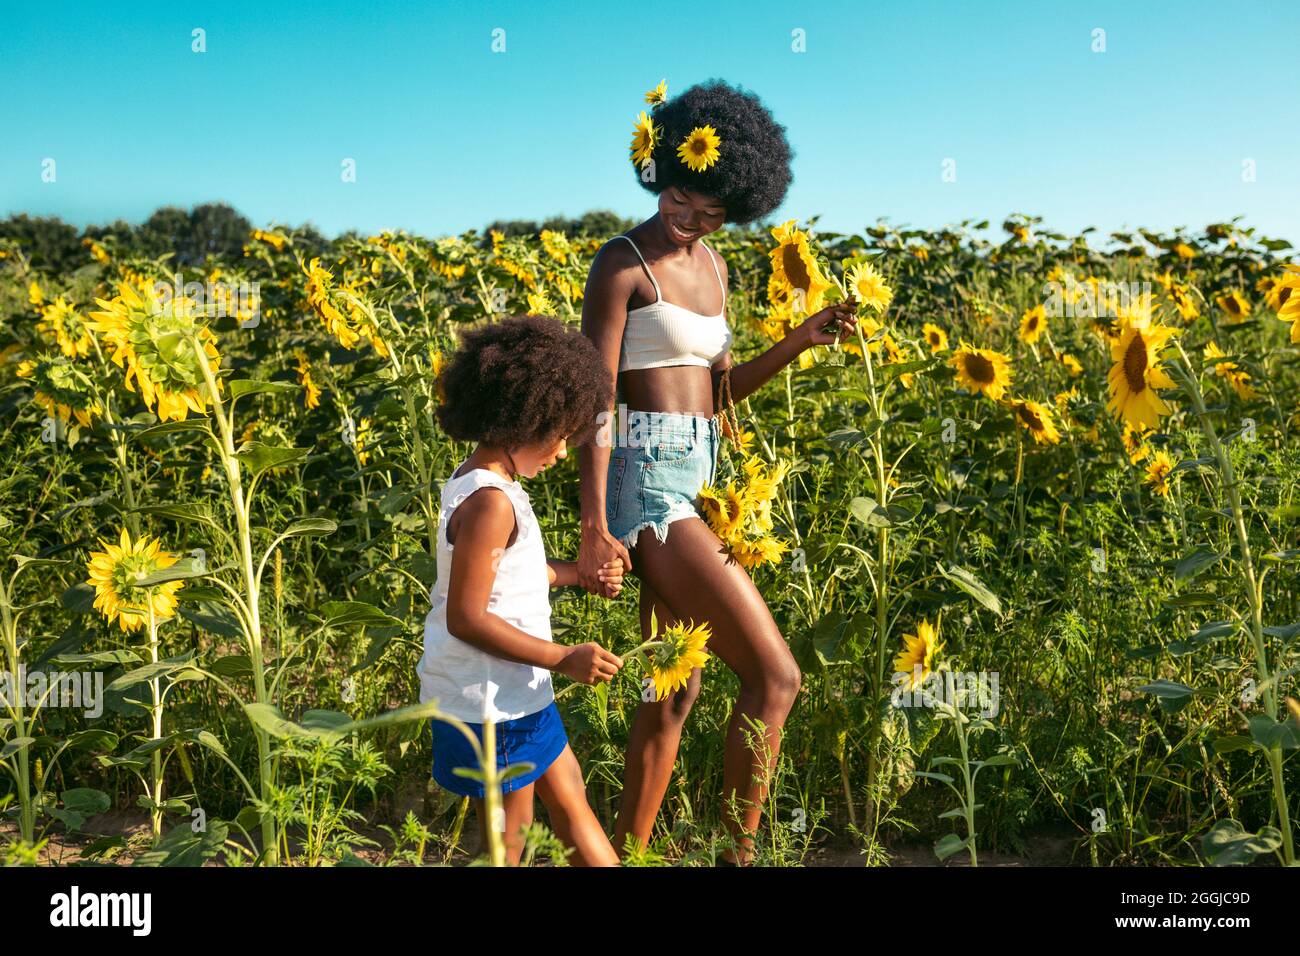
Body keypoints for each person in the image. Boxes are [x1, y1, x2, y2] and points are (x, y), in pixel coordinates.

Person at [577, 79, 859, 864]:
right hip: (647, 483)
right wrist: (594, 525)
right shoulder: (622, 265)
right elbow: (597, 404)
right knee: (775, 677)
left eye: (710, 211)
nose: (689, 217)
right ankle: (738, 858)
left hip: (702, 476)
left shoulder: (718, 270)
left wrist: (799, 339)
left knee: (672, 688)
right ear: (658, 172)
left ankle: (626, 858)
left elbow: (721, 392)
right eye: (678, 196)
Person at [420, 315, 626, 866]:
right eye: (562, 436)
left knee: (569, 793)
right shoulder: (490, 502)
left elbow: (506, 577)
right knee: (513, 839)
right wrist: (564, 657)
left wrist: (578, 576)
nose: (562, 453)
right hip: (493, 703)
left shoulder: (489, 485)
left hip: (517, 691)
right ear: (527, 419)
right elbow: (466, 616)